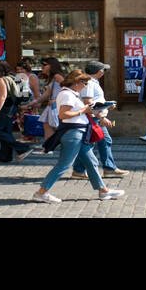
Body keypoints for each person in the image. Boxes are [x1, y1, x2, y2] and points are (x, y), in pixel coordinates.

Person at [32, 68, 125, 205]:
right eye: (84, 83)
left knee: (91, 162)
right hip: (73, 133)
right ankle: (41, 192)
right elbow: (64, 115)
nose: (86, 86)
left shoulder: (72, 94)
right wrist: (84, 110)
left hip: (78, 133)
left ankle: (103, 190)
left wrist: (99, 108)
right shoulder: (67, 95)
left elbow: (78, 112)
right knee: (64, 164)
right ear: (76, 82)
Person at [71, 60, 128, 179]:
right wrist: (101, 117)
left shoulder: (92, 82)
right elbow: (88, 103)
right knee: (92, 143)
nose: (103, 72)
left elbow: (94, 101)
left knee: (100, 142)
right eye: (103, 70)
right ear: (99, 72)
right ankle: (84, 170)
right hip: (93, 118)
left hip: (95, 117)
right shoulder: (89, 83)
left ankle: (104, 169)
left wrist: (106, 105)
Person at [0, 60, 31, 165]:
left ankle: (22, 148)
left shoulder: (1, 79)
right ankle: (4, 157)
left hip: (5, 108)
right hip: (12, 107)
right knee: (6, 132)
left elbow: (2, 96)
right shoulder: (13, 76)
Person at [38, 57, 64, 147]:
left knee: (55, 126)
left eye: (44, 65)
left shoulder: (57, 76)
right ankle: (47, 146)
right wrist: (34, 102)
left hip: (56, 105)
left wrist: (56, 100)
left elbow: (68, 89)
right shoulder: (53, 77)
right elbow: (46, 94)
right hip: (53, 105)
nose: (42, 67)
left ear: (51, 66)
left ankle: (49, 146)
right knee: (47, 124)